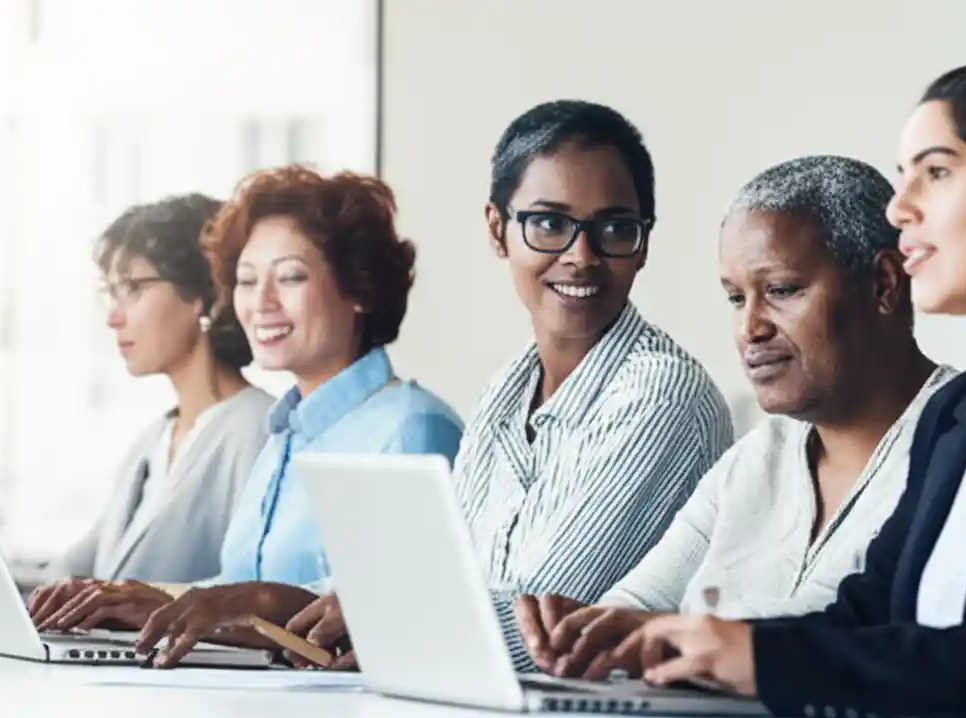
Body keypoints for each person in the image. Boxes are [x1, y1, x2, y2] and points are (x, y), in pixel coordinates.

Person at [550, 57, 966, 718]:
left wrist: (757, 660)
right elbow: (869, 613)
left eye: (936, 172)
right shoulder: (963, 414)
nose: (900, 208)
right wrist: (676, 642)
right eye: (903, 177)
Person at [284, 100, 734, 671]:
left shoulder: (662, 394)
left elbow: (544, 626)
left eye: (614, 229)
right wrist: (285, 607)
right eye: (549, 224)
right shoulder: (506, 389)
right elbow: (445, 577)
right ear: (498, 230)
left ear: (643, 242)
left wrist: (381, 616)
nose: (581, 256)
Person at [515, 155, 956, 679]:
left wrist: (668, 638)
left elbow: (873, 638)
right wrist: (577, 631)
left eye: (782, 291)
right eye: (735, 298)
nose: (751, 328)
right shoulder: (753, 461)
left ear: (884, 284)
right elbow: (633, 604)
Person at [29, 167, 465, 664]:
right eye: (246, 280)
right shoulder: (283, 433)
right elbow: (235, 593)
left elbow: (405, 616)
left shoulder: (412, 428)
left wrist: (243, 602)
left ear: (360, 288)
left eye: (291, 277)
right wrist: (157, 600)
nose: (262, 303)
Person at [0, 194, 274, 615]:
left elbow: (247, 591)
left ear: (202, 294)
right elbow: (75, 578)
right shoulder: (154, 441)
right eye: (110, 294)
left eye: (132, 290)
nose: (113, 317)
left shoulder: (257, 430)